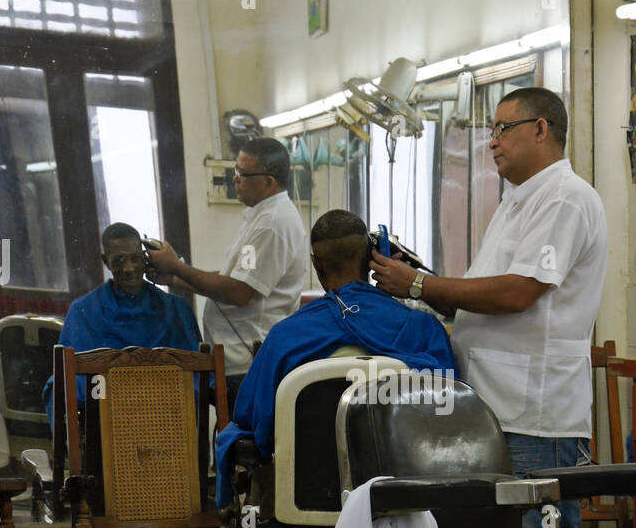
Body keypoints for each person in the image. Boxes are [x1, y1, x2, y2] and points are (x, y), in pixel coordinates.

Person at [371, 87, 608, 528]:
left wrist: (418, 286)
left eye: (502, 131)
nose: (492, 144)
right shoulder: (518, 204)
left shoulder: (565, 198)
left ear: (541, 130)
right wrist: (427, 286)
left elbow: (519, 293)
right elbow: (482, 302)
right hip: (496, 405)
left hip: (537, 410)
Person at [215, 210, 456, 507]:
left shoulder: (284, 339)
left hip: (308, 506)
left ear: (315, 264)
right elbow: (448, 415)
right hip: (403, 508)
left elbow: (253, 421)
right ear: (371, 258)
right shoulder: (423, 331)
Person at [147, 136, 309, 413]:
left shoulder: (272, 223)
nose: (235, 179)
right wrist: (175, 279)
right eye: (235, 172)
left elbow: (238, 292)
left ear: (268, 181)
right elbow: (229, 278)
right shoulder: (261, 217)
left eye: (242, 174)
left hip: (248, 359)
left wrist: (176, 266)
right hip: (237, 356)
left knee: (243, 444)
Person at [43, 223, 202, 424]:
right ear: (105, 262)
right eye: (118, 261)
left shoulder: (175, 310)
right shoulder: (84, 311)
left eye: (135, 259)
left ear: (146, 258)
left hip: (167, 425)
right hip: (104, 427)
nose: (128, 269)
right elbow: (67, 381)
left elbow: (198, 379)